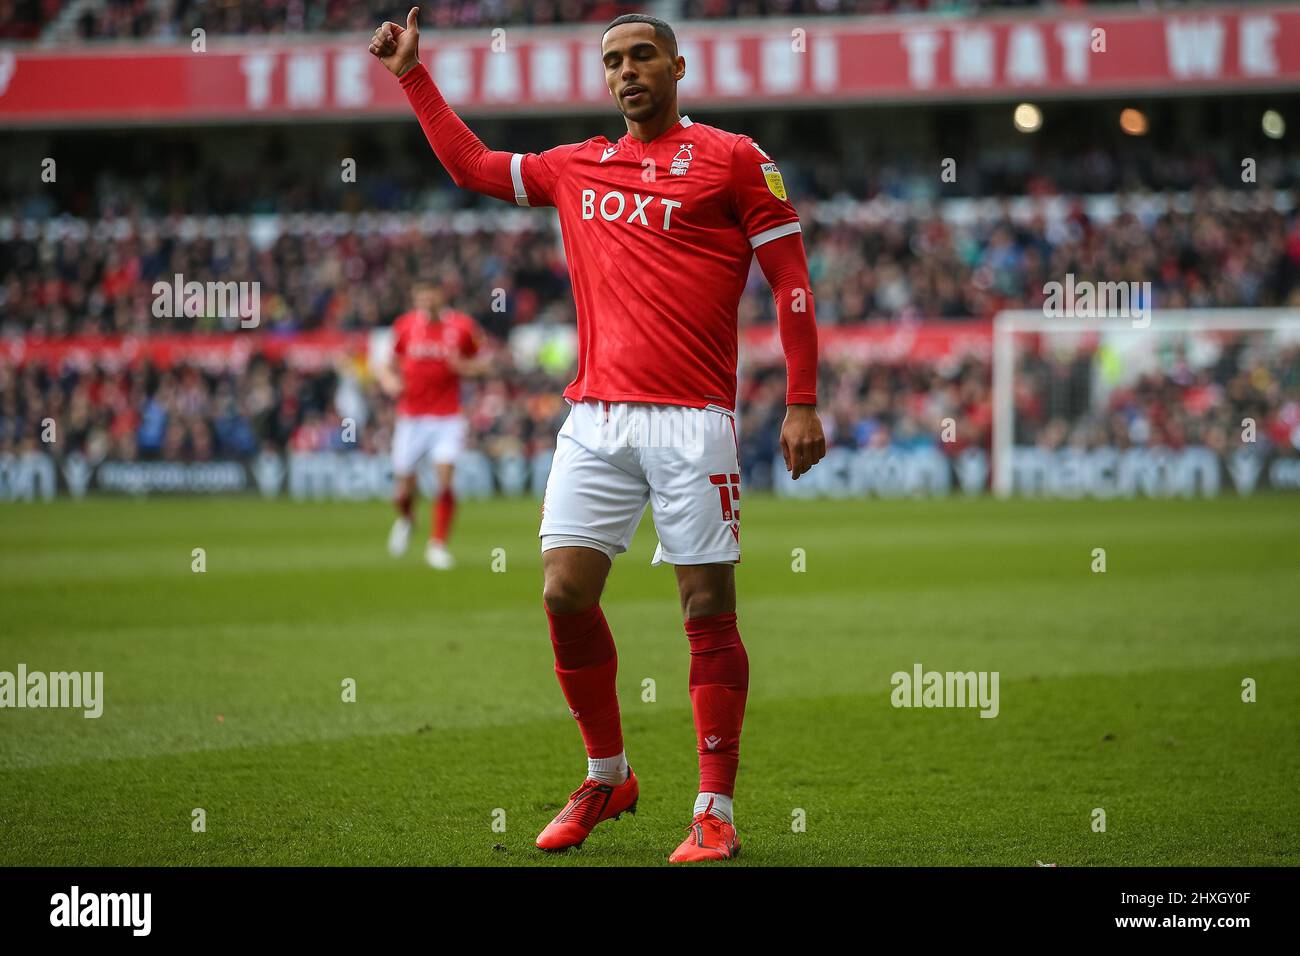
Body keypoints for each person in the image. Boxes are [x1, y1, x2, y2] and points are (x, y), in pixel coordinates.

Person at [369, 7, 826, 861]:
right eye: (614, 60)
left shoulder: (735, 160)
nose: (627, 71)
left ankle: (714, 809)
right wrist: (411, 75)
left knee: (706, 610)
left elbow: (791, 283)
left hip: (694, 421)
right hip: (597, 418)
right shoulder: (576, 165)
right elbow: (471, 165)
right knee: (562, 594)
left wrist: (802, 399)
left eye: (643, 55)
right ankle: (608, 774)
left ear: (678, 66)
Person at [378, 278, 485, 570]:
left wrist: (465, 367)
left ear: (441, 296)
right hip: (411, 416)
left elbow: (484, 363)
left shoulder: (462, 327)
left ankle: (437, 544)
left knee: (445, 478)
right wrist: (389, 381)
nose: (425, 301)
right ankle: (407, 518)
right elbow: (388, 364)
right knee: (402, 487)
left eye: (430, 296)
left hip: (448, 416)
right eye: (420, 296)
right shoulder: (404, 326)